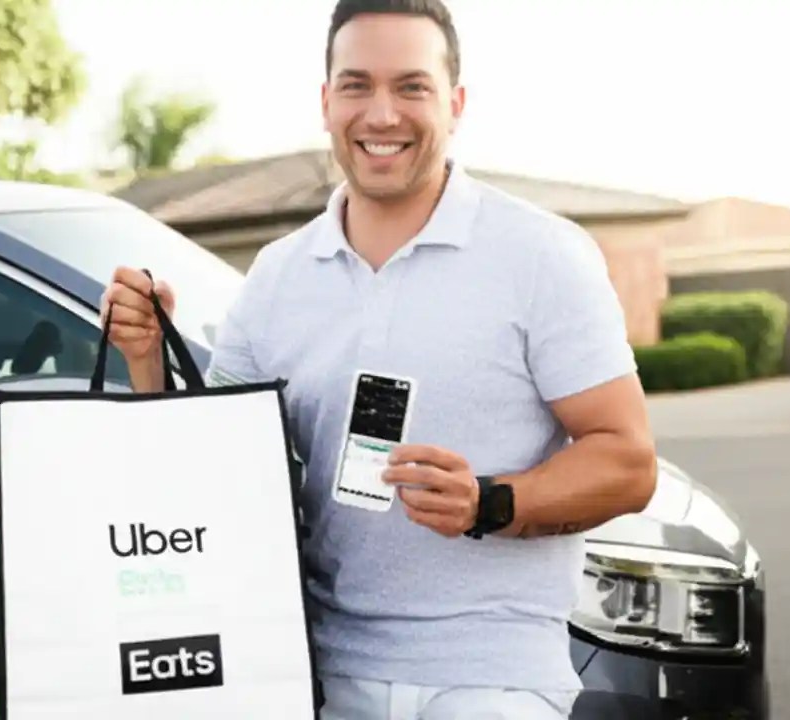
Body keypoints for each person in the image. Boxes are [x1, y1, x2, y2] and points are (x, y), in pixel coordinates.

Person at [101, 0, 658, 717]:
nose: (383, 114)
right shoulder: (277, 276)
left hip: (491, 676)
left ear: (455, 104)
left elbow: (628, 461)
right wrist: (146, 361)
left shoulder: (541, 255)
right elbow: (213, 474)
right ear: (326, 103)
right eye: (357, 85)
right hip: (323, 674)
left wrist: (489, 502)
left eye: (412, 86)